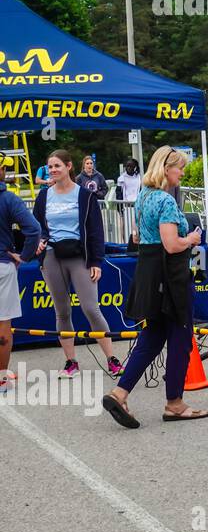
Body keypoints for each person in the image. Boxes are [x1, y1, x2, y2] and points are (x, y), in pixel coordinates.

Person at [102, 146, 208, 428]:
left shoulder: (143, 197)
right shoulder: (165, 201)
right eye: (179, 167)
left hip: (149, 272)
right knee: (180, 339)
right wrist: (193, 239)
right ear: (166, 168)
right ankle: (175, 403)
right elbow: (172, 244)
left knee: (151, 338)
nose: (182, 173)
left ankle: (120, 392)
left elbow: (137, 237)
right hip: (170, 276)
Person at [33, 150, 122, 379]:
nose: (53, 170)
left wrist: (96, 261)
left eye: (57, 166)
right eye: (50, 167)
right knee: (61, 310)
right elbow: (36, 227)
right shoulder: (43, 197)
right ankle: (71, 362)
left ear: (69, 166)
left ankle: (112, 359)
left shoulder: (84, 196)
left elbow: (95, 231)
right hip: (53, 256)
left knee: (91, 308)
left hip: (79, 256)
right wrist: (40, 243)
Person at [0, 176, 40, 394]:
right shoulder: (8, 199)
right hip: (3, 265)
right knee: (3, 325)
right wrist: (24, 257)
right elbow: (34, 229)